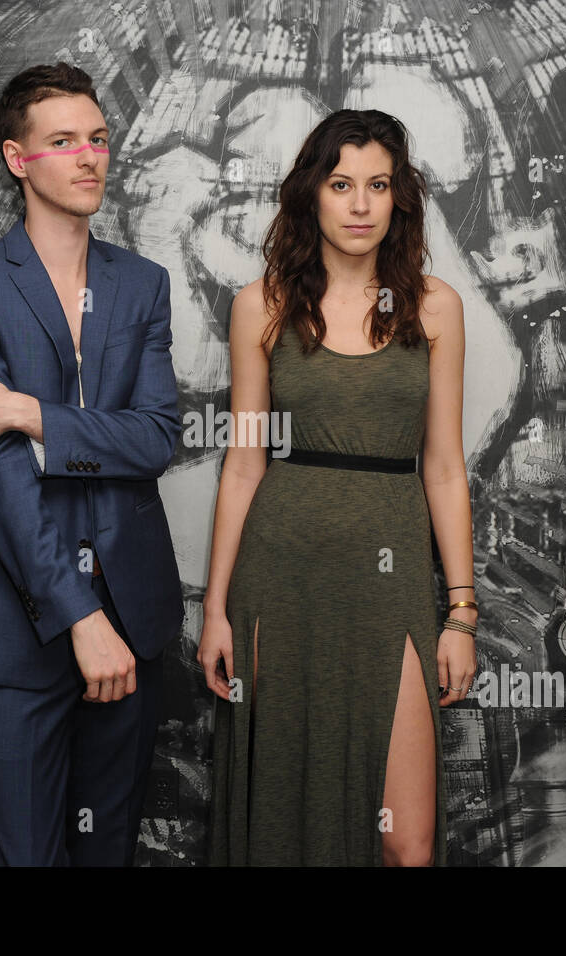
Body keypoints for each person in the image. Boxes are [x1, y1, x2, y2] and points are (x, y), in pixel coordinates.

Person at [199, 109, 478, 866]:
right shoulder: (261, 305)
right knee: (282, 820)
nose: (360, 204)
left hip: (390, 587)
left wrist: (460, 612)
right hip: (280, 578)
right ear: (311, 197)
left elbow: (445, 468)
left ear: (399, 200)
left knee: (408, 845)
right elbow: (244, 464)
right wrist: (217, 608)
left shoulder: (436, 307)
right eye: (341, 183)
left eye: (378, 185)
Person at [0, 62, 184, 866]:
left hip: (134, 607)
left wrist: (23, 410)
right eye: (63, 141)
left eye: (99, 139)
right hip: (12, 620)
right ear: (16, 158)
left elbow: (155, 438)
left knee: (105, 851)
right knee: (29, 855)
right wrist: (80, 617)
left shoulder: (141, 284)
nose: (89, 157)